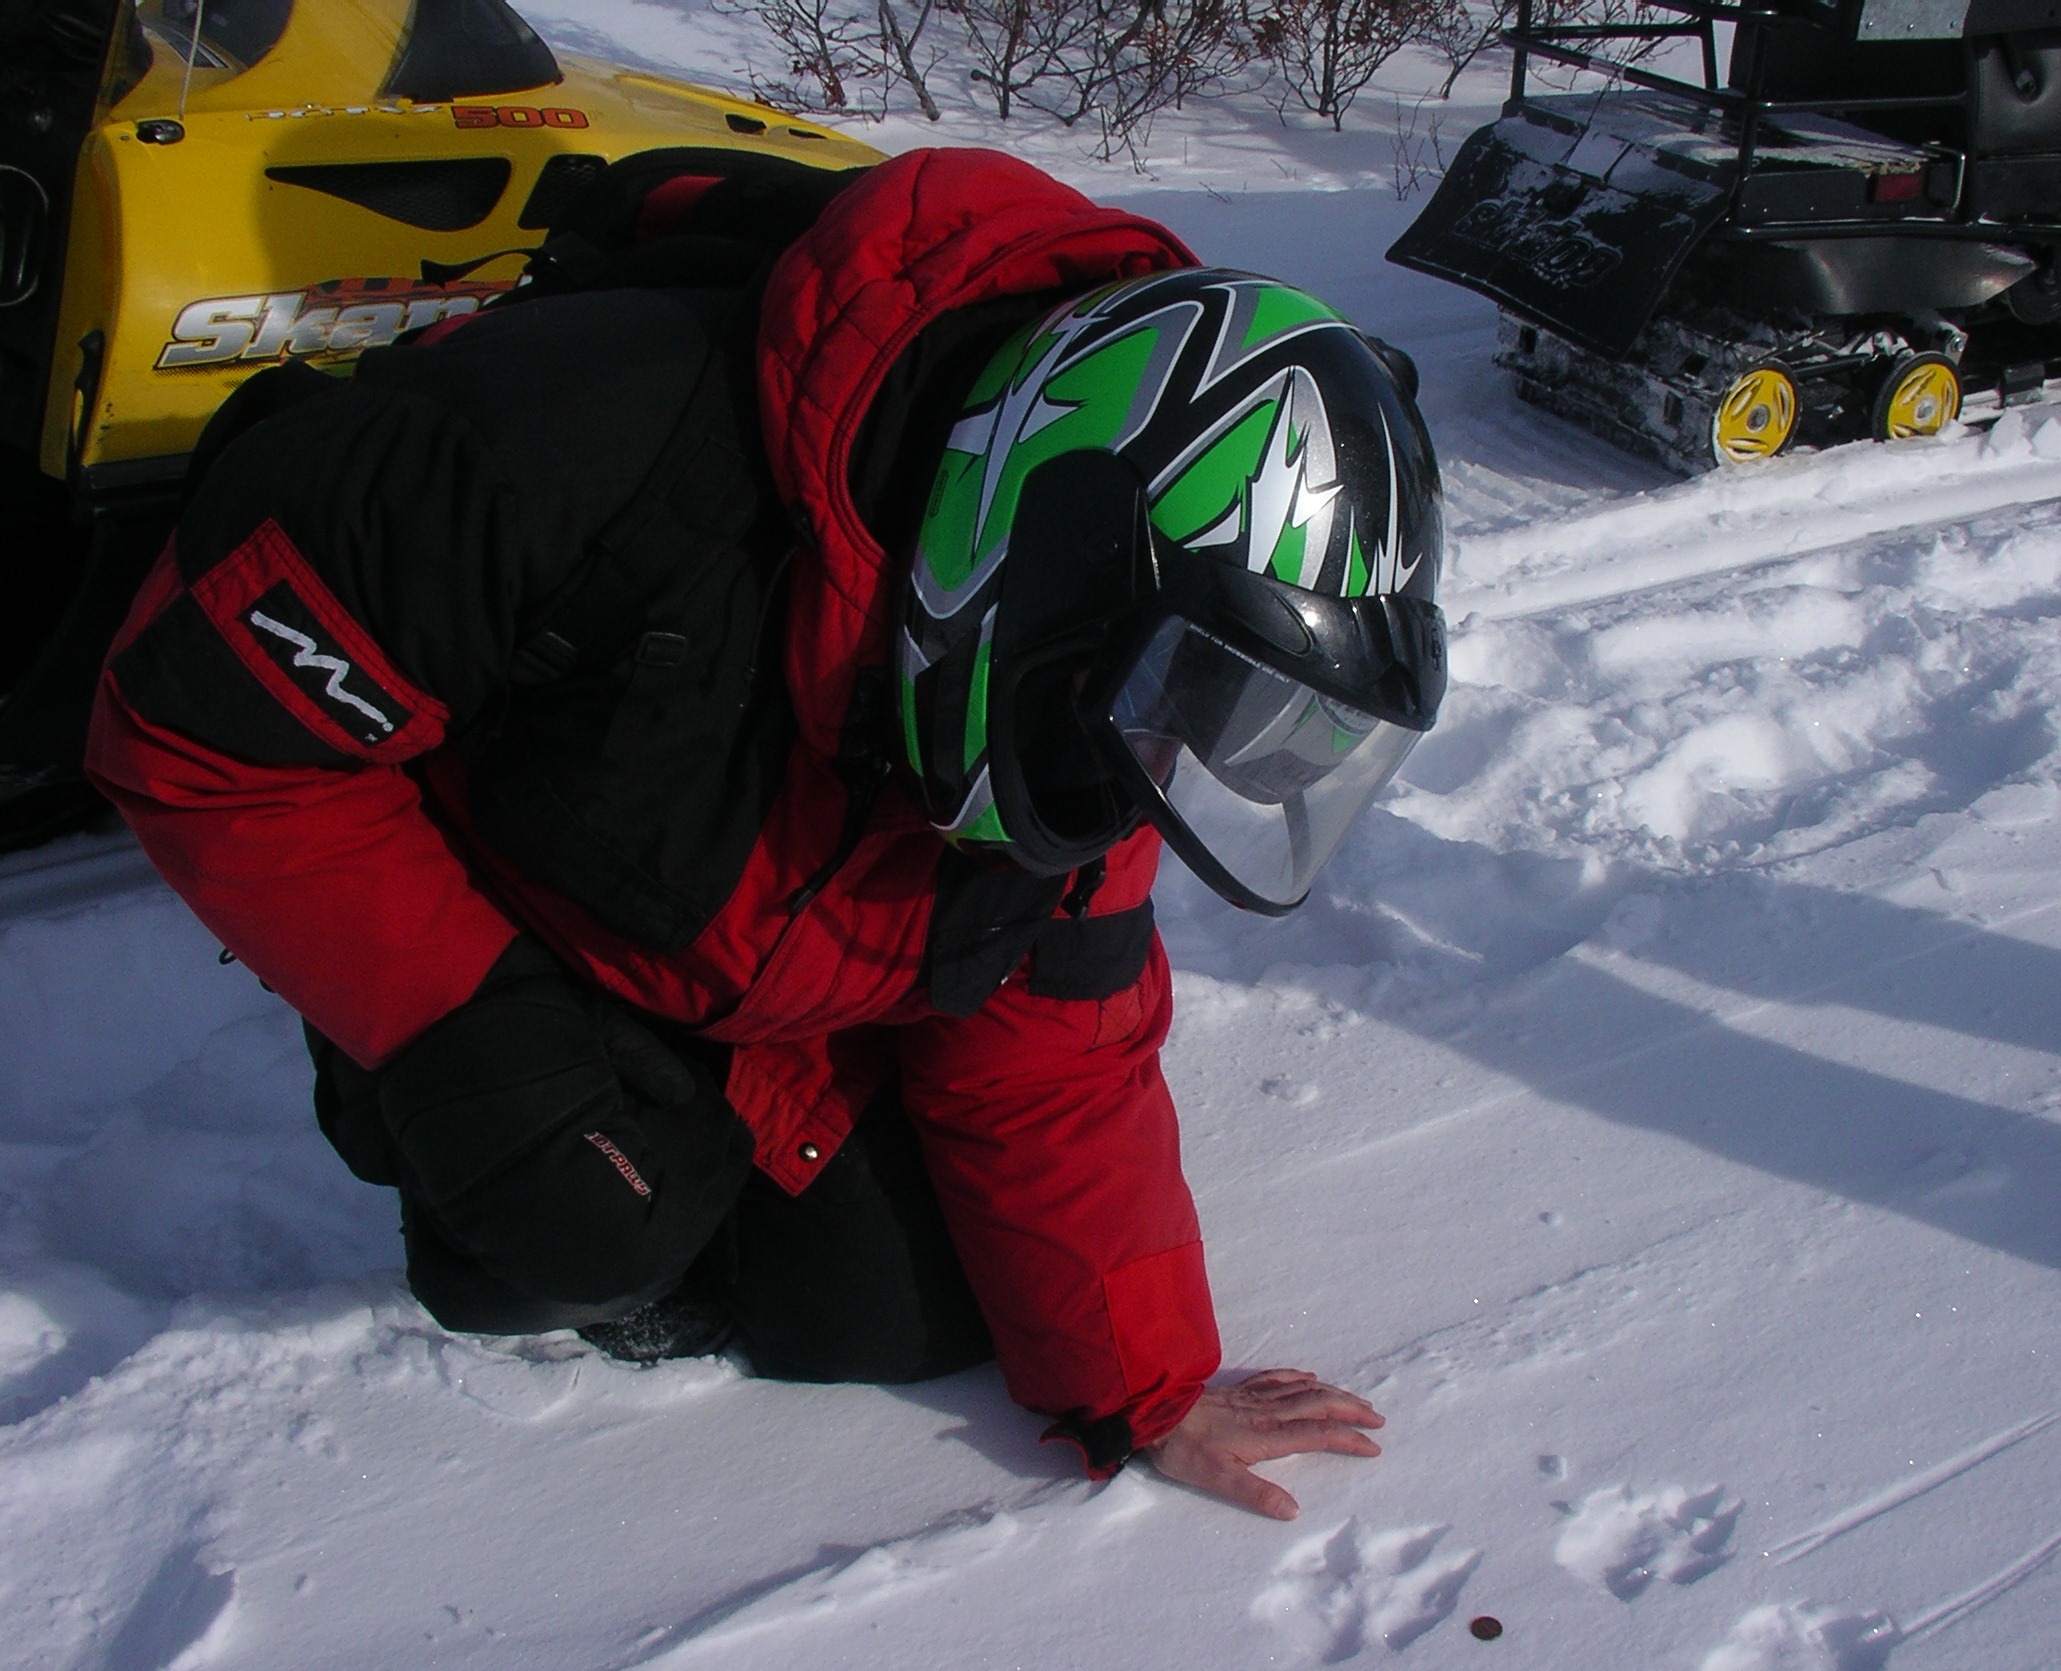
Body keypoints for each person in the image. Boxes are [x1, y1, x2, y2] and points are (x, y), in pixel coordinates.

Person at [82, 148, 1446, 1521]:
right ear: (1051, 540)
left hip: (750, 941)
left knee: (896, 1318)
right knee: (576, 1221)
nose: (1159, 746)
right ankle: (477, 1111)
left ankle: (695, 1108)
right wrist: (463, 1027)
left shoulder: (1085, 694)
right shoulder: (572, 436)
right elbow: (203, 731)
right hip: (506, 903)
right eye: (1172, 696)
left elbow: (1053, 1043)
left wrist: (1146, 1385)